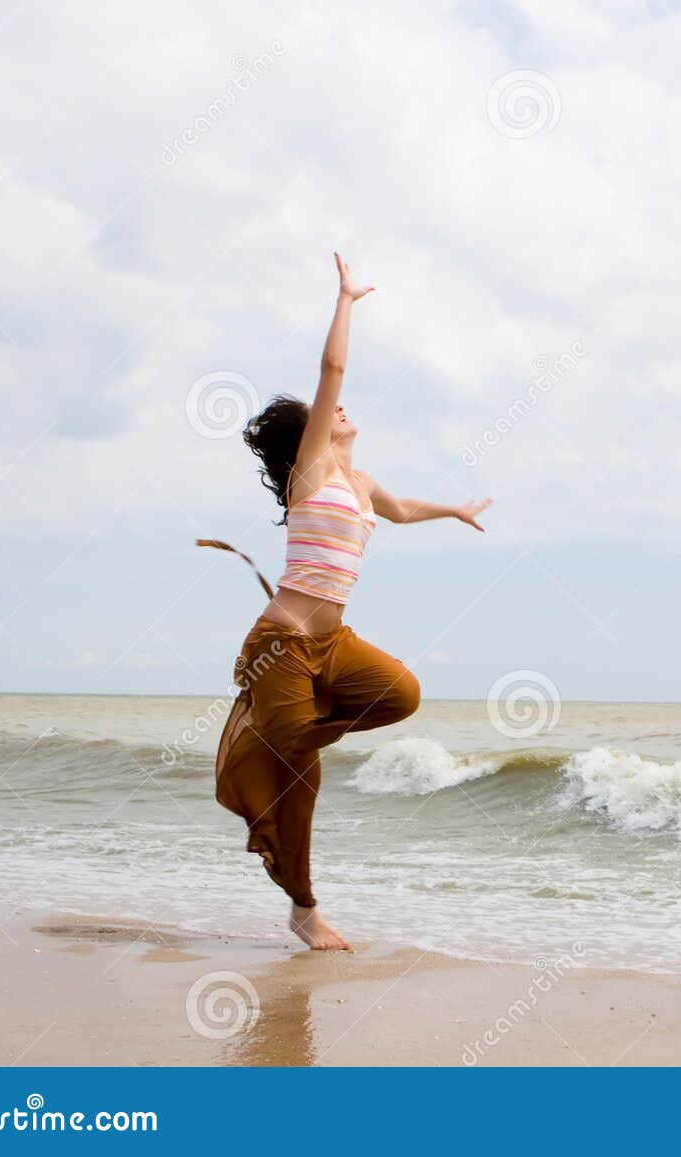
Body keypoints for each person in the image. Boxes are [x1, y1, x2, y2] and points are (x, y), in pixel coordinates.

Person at [210, 253, 492, 950]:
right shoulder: (311, 474)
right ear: (308, 437)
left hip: (333, 644)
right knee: (301, 782)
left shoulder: (360, 482)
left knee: (401, 693)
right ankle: (304, 907)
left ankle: (278, 733)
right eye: (323, 414)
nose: (339, 409)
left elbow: (400, 508)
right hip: (280, 646)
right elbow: (332, 372)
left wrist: (454, 509)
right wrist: (346, 299)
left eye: (333, 411)